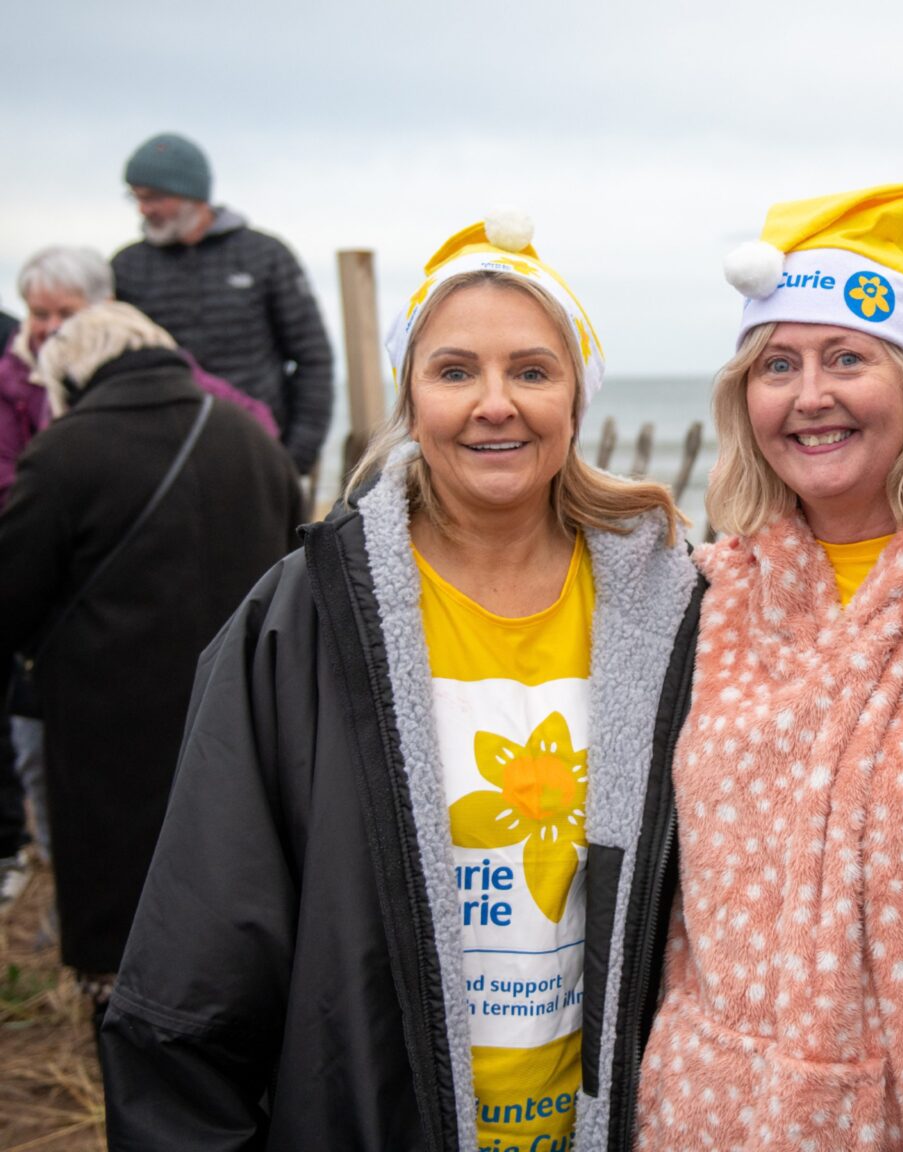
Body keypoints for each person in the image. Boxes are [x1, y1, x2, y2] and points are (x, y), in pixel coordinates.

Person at [100, 211, 699, 1152]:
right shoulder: (305, 620)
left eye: (531, 371)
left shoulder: (672, 614)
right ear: (410, 399)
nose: (493, 403)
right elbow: (198, 967)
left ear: (576, 398)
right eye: (455, 370)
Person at [618, 185, 903, 1152]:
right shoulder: (709, 596)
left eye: (846, 357)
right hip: (703, 1110)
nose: (809, 395)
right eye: (777, 365)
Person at [0, 301, 303, 1026]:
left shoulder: (67, 451)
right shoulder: (253, 440)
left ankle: (132, 1055)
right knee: (238, 920)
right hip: (245, 725)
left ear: (72, 374)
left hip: (110, 745)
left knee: (126, 955)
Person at [113, 131, 332, 475]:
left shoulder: (265, 255)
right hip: (160, 461)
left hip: (257, 452)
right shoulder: (126, 267)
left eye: (155, 196)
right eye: (136, 197)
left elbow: (313, 357)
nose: (144, 209)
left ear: (192, 194)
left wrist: (295, 457)